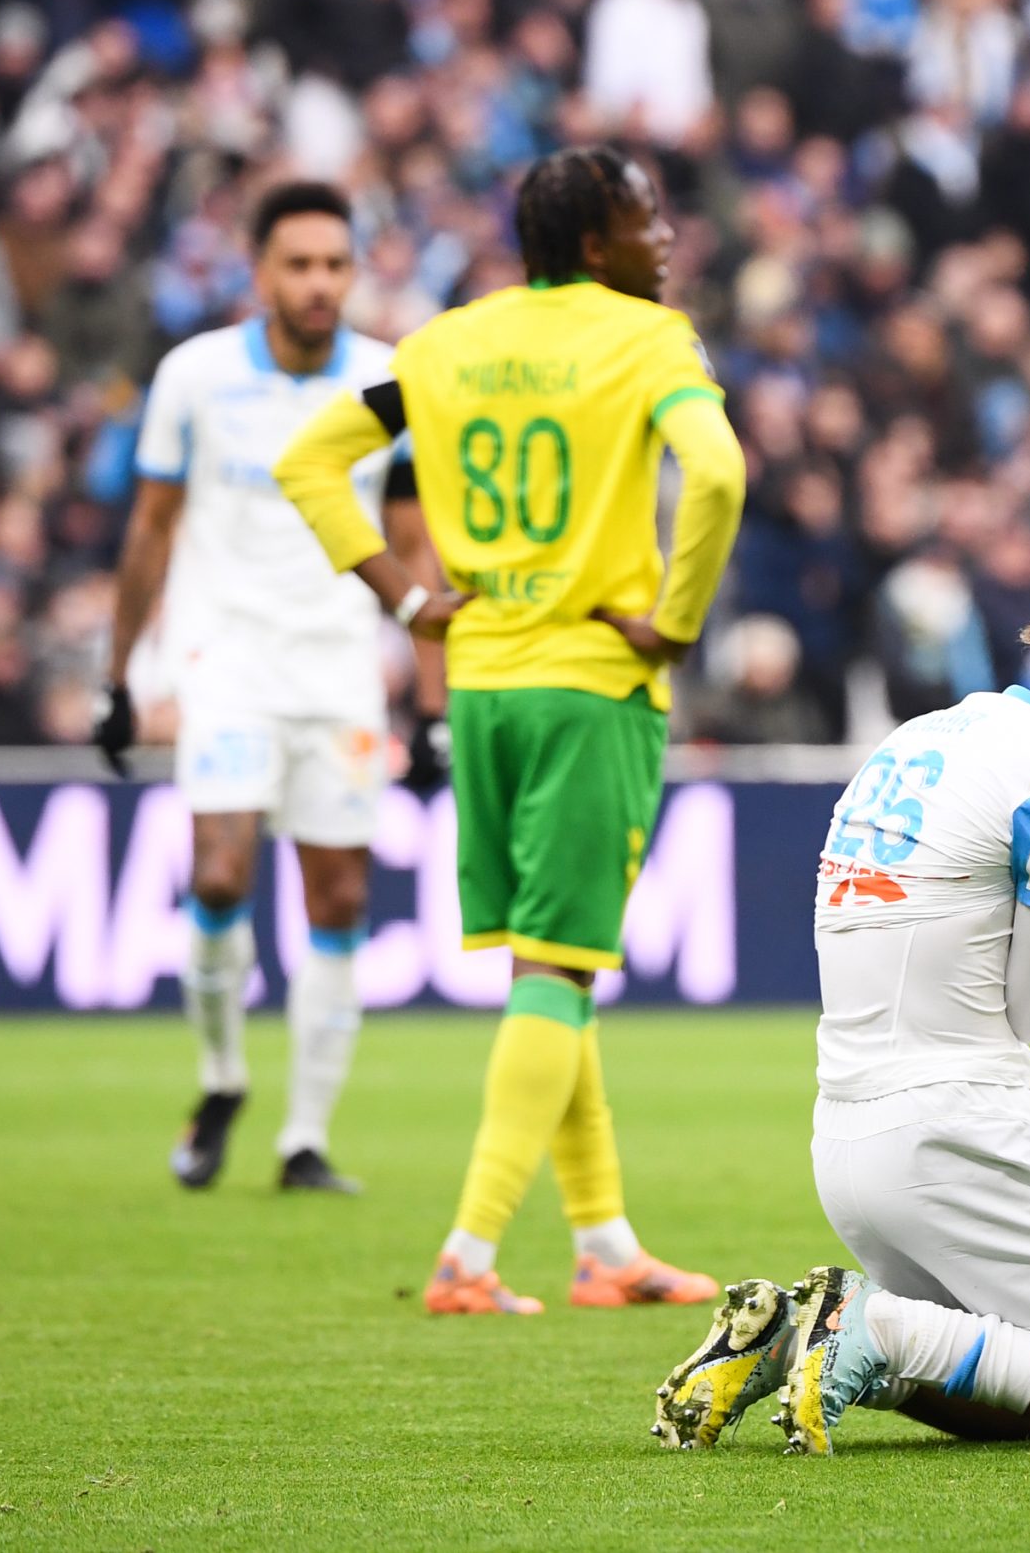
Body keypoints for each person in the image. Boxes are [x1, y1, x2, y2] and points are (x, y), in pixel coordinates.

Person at [274, 145, 747, 1315]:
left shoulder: (439, 345)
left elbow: (310, 460)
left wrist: (404, 598)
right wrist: (677, 623)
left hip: (480, 678)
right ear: (595, 243)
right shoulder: (649, 339)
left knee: (552, 965)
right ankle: (470, 1257)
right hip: (592, 682)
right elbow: (720, 475)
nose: (667, 237)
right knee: (559, 963)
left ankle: (605, 1247)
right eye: (647, 217)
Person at [648, 619, 1030, 1456]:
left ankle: (798, 1336)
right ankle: (878, 1328)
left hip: (848, 1142)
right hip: (959, 1137)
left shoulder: (919, 734)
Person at [98, 180, 446, 1197]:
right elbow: (151, 528)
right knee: (218, 873)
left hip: (339, 671)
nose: (319, 283)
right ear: (259, 273)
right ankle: (219, 1079)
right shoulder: (195, 376)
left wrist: (428, 707)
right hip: (226, 663)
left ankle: (304, 1138)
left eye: (335, 264)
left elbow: (415, 546)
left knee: (338, 896)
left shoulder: (389, 381)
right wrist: (116, 677)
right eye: (298, 264)